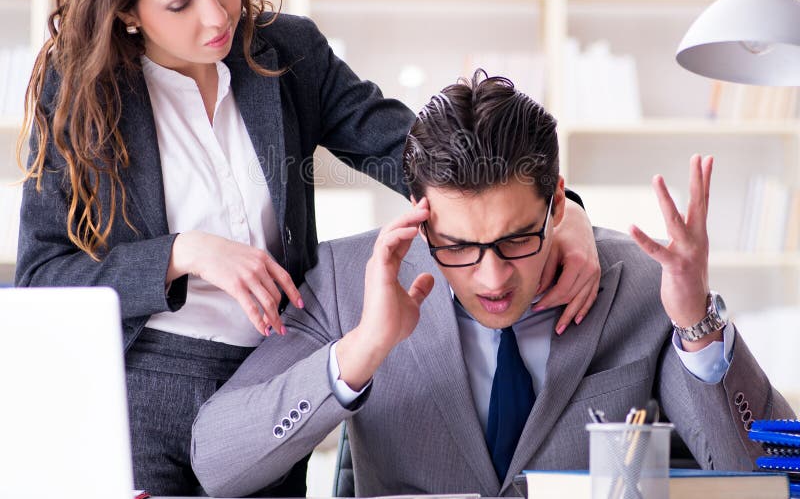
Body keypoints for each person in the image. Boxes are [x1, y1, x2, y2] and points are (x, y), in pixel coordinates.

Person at [14, 0, 601, 497]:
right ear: (128, 11)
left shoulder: (288, 53)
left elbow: (426, 158)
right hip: (143, 388)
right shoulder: (79, 92)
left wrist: (565, 216)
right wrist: (184, 253)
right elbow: (43, 277)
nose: (216, 15)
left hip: (273, 378)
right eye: (180, 3)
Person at [191, 70, 796, 498]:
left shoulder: (643, 284)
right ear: (419, 212)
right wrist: (362, 349)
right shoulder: (349, 281)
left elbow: (770, 479)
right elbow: (216, 465)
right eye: (457, 246)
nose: (492, 276)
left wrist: (695, 322)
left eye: (516, 239)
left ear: (557, 203)